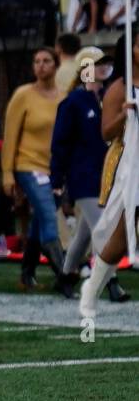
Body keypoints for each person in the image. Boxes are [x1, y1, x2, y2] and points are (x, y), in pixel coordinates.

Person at [53, 46, 126, 302]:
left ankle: (64, 276)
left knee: (84, 235)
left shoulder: (109, 96)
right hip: (82, 177)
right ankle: (111, 284)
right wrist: (57, 179)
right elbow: (59, 144)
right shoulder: (73, 102)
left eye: (105, 63)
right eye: (97, 63)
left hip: (104, 176)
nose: (103, 67)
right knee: (103, 230)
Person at [78, 36, 139, 319]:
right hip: (128, 161)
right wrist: (125, 115)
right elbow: (105, 133)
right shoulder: (120, 88)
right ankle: (92, 288)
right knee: (119, 240)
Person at [3, 47, 66, 290]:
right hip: (28, 165)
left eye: (46, 60)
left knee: (40, 221)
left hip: (55, 170)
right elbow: (10, 136)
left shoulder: (63, 98)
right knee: (49, 216)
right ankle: (64, 274)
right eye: (36, 61)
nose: (40, 65)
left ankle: (27, 273)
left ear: (56, 65)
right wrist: (8, 173)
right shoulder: (23, 95)